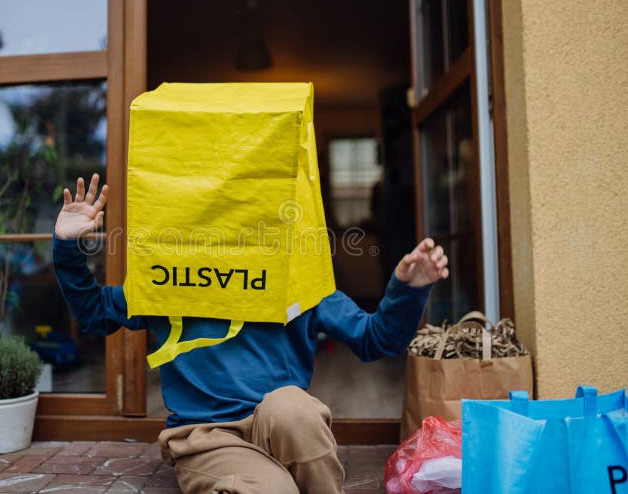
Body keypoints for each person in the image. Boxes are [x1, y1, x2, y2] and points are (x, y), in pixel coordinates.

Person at [53, 173, 449, 494]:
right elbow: (94, 315)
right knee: (273, 489)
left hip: (282, 426)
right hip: (207, 437)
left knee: (292, 408)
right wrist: (68, 246)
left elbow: (375, 339)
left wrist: (408, 290)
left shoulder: (298, 279)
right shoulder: (170, 277)